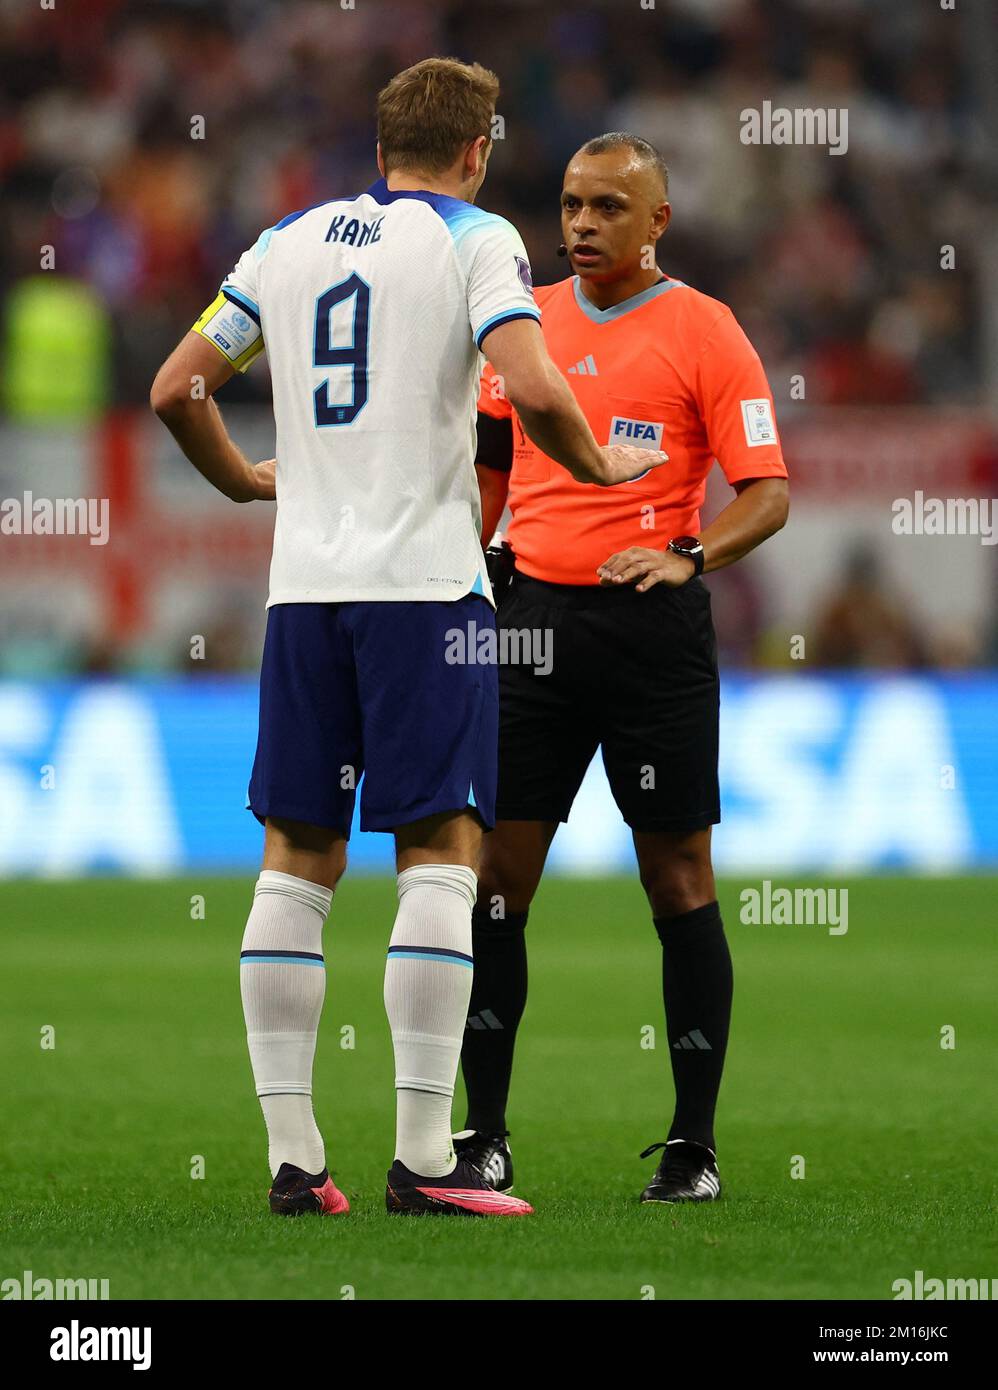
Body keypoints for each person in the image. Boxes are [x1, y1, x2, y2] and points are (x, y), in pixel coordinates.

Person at [150, 66, 658, 1219]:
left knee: (296, 855)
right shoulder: (477, 238)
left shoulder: (280, 244)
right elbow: (527, 383)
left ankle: (293, 1159)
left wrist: (242, 484)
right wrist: (598, 464)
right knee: (439, 848)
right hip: (427, 594)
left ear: (383, 146)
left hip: (303, 598)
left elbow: (177, 386)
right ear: (477, 148)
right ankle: (426, 1156)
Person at [459, 133, 790, 1203]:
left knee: (676, 879)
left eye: (607, 206)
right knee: (495, 886)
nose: (581, 223)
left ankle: (692, 1147)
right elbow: (490, 471)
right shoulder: (520, 326)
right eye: (568, 203)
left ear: (656, 222)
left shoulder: (706, 331)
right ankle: (483, 1137)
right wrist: (471, 565)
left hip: (652, 636)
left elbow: (764, 491)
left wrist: (688, 552)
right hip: (531, 630)